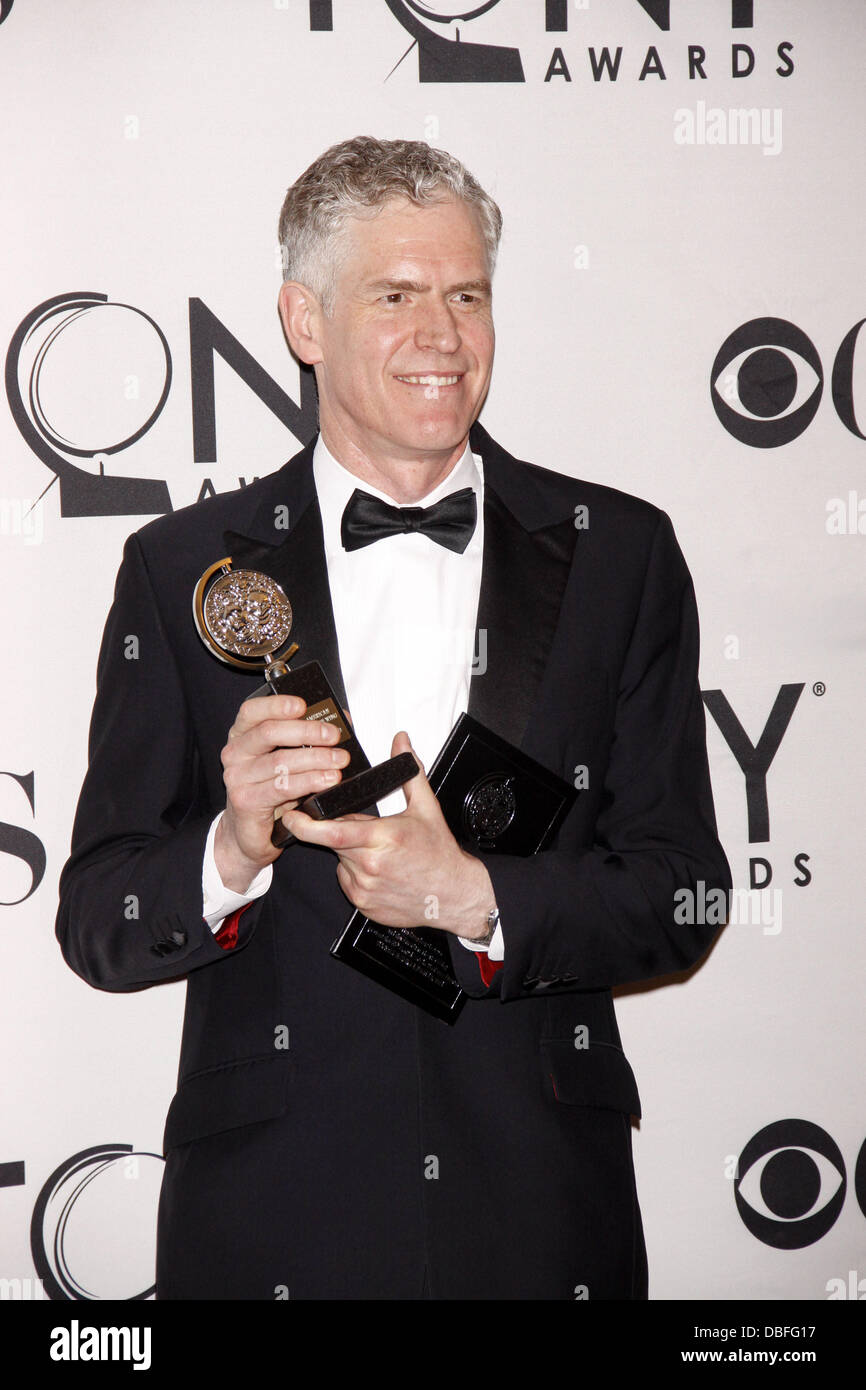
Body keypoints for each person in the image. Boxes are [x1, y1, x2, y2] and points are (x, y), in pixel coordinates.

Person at [57, 135, 731, 1300]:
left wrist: (471, 896)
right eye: (396, 295)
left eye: (466, 294)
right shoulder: (181, 571)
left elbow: (682, 893)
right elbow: (99, 916)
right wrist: (233, 845)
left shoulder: (620, 555)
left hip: (538, 1212)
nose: (443, 335)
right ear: (304, 322)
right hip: (270, 1220)